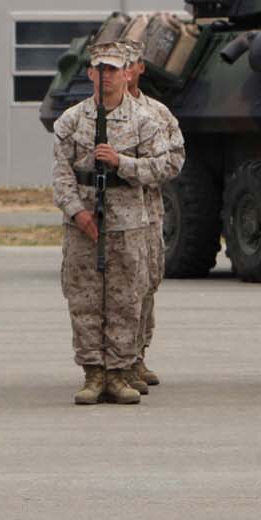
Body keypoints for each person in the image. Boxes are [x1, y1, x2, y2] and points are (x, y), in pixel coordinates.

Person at [50, 42, 180, 406]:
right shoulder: (71, 121)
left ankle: (120, 372)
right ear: (90, 73)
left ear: (127, 73)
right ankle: (93, 373)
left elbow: (163, 166)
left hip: (128, 222)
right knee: (84, 299)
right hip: (83, 223)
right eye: (101, 69)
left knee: (126, 299)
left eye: (114, 69)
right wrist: (78, 212)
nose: (106, 76)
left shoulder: (145, 120)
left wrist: (122, 163)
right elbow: (61, 174)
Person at [118, 39, 185, 392]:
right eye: (118, 65)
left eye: (131, 63)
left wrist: (129, 169)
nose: (125, 71)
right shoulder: (93, 114)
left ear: (141, 68)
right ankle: (115, 360)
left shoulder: (158, 114)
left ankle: (137, 355)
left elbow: (173, 161)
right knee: (115, 288)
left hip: (148, 212)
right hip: (112, 215)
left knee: (146, 283)